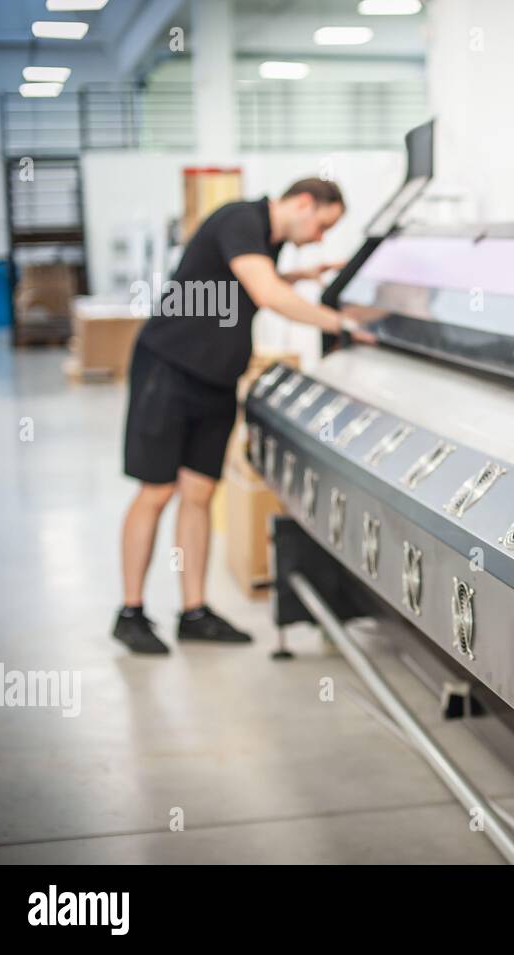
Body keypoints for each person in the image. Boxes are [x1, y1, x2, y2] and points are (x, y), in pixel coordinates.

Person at [114, 178, 374, 654]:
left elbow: (238, 288)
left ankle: (193, 610)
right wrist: (343, 324)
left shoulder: (266, 241)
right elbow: (267, 294)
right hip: (168, 370)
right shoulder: (241, 219)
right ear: (302, 202)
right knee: (156, 491)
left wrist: (305, 274)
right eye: (322, 225)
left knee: (199, 492)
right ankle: (129, 612)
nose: (319, 237)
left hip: (214, 379)